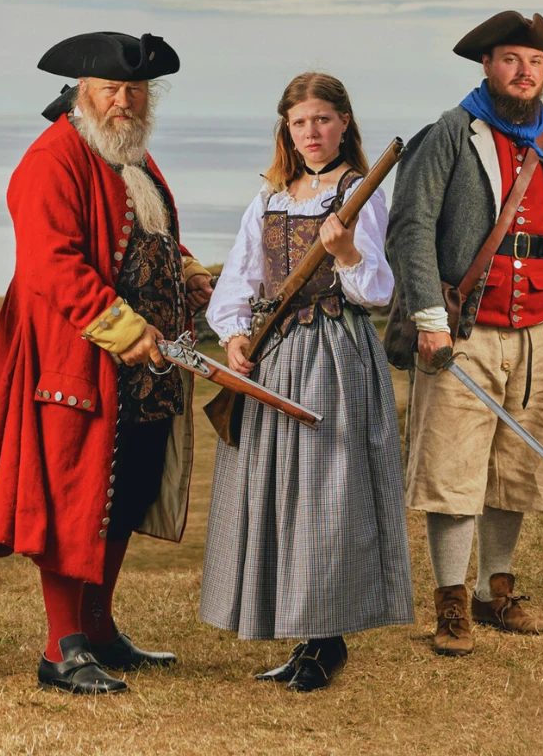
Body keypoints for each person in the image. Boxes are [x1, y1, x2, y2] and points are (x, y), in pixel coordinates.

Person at [0, 31, 213, 694]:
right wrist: (123, 328)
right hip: (74, 359)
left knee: (124, 491)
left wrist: (181, 273)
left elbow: (149, 237)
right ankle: (60, 647)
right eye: (111, 89)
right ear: (82, 93)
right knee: (73, 495)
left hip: (144, 365)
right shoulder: (53, 159)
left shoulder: (132, 158)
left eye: (135, 90)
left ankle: (98, 629)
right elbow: (52, 264)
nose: (124, 100)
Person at [387, 12, 543, 656]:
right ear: (488, 65)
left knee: (516, 471)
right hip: (462, 331)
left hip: (542, 332)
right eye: (511, 59)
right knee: (453, 472)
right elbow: (411, 229)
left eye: (534, 62)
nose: (524, 72)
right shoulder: (450, 133)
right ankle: (451, 604)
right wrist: (429, 318)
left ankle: (494, 591)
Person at [199, 72, 414, 692]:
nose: (311, 132)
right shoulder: (269, 196)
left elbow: (377, 289)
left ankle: (328, 641)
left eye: (322, 119)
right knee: (282, 496)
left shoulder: (359, 192)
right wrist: (236, 335)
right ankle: (302, 636)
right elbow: (239, 279)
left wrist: (345, 253)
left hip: (333, 355)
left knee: (326, 495)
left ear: (344, 122)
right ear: (285, 131)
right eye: (299, 123)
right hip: (275, 358)